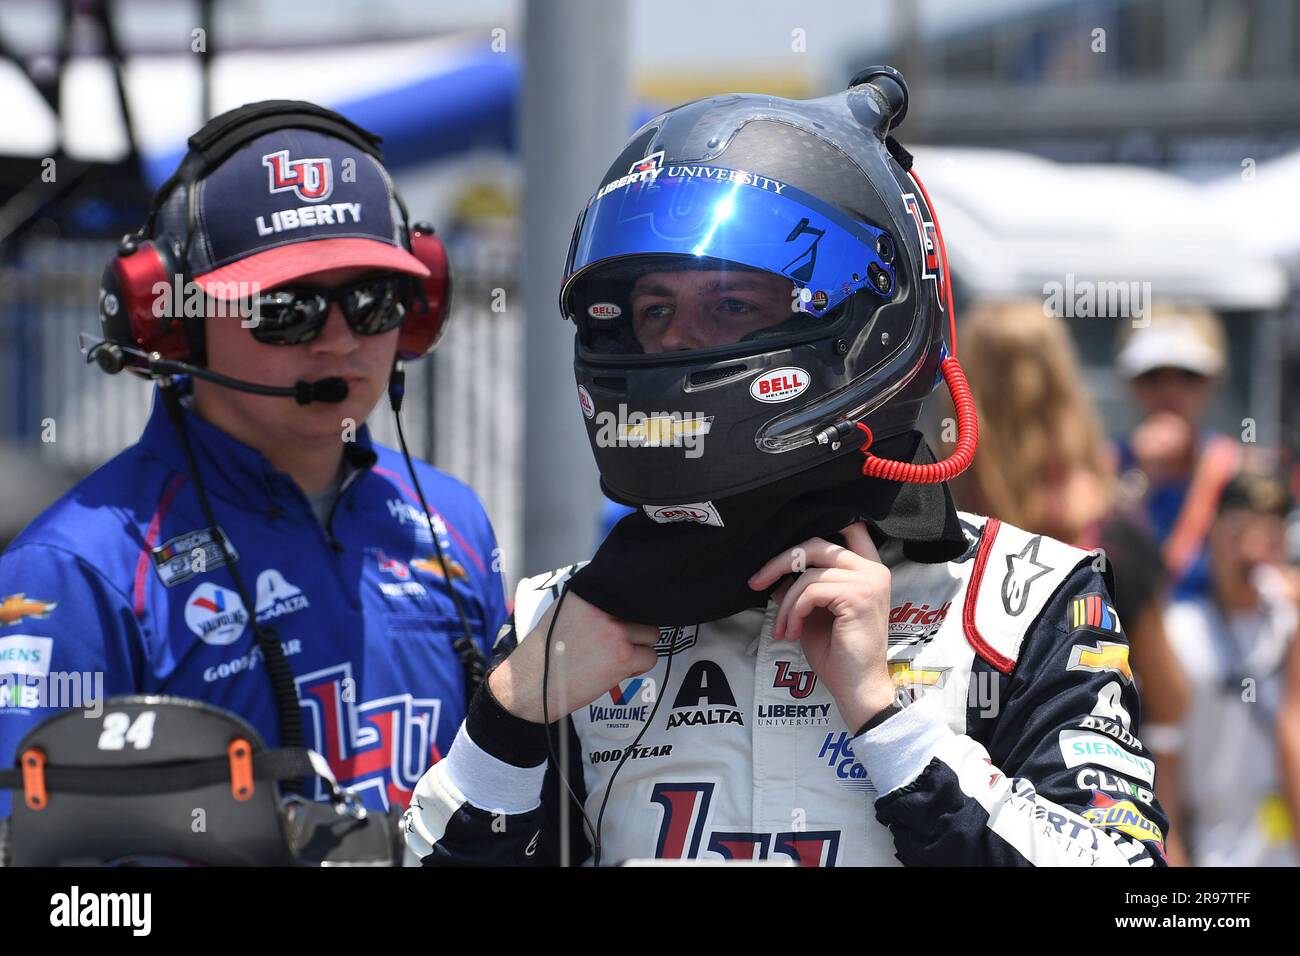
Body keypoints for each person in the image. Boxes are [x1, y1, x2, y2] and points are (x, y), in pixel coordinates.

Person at [402, 68, 1168, 866]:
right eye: (655, 311)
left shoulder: (1025, 599)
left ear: (862, 323)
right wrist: (509, 716)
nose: (674, 345)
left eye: (729, 306)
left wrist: (887, 719)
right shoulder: (559, 622)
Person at [0, 102, 507, 818]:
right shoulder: (75, 572)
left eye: (372, 300)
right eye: (284, 306)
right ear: (172, 322)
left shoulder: (453, 520)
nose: (338, 340)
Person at [941, 300, 1190, 862]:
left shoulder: (941, 523)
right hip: (1089, 824)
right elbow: (1171, 701)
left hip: (959, 818)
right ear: (1065, 380)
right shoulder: (1116, 529)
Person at [1164, 471, 1299, 866]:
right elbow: (1163, 760)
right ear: (1212, 535)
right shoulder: (1178, 632)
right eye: (1239, 534)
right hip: (1212, 852)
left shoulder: (1290, 623)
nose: (1254, 551)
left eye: (1270, 538)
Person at [1116, 306, 1237, 601]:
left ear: (1213, 382)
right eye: (1153, 376)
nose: (1170, 390)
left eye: (1188, 376)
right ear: (1131, 384)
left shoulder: (1238, 469)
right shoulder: (1104, 464)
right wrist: (1141, 477)